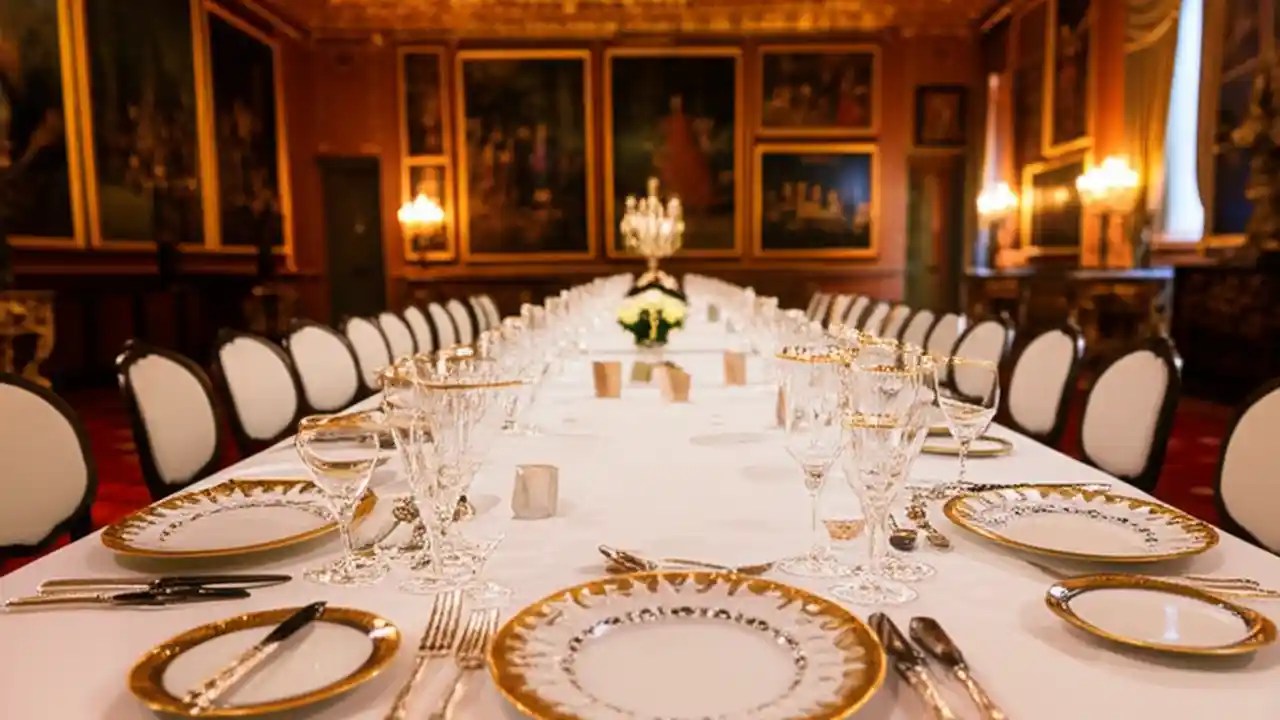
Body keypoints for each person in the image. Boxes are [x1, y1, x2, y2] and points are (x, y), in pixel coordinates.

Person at [655, 94, 713, 212]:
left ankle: (693, 204)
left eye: (678, 102)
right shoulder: (668, 121)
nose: (676, 105)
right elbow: (662, 138)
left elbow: (699, 134)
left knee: (693, 172)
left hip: (686, 153)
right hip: (673, 154)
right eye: (674, 102)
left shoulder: (688, 120)